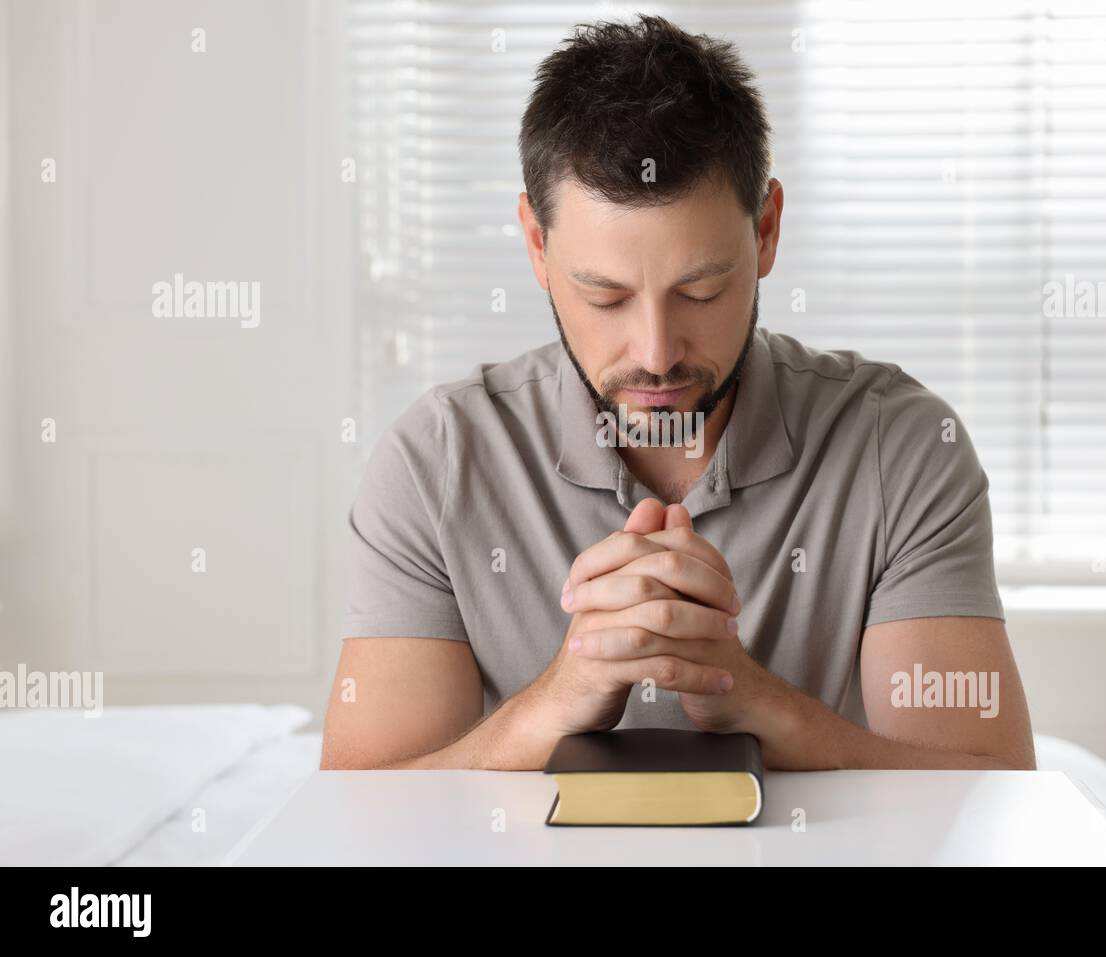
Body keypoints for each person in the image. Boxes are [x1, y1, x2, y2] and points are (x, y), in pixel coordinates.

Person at [321, 15, 1034, 772]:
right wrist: (560, 700)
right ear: (536, 244)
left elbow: (988, 788)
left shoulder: (902, 448)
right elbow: (362, 805)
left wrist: (752, 700)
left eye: (701, 291)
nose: (656, 354)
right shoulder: (436, 461)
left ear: (766, 230)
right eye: (606, 297)